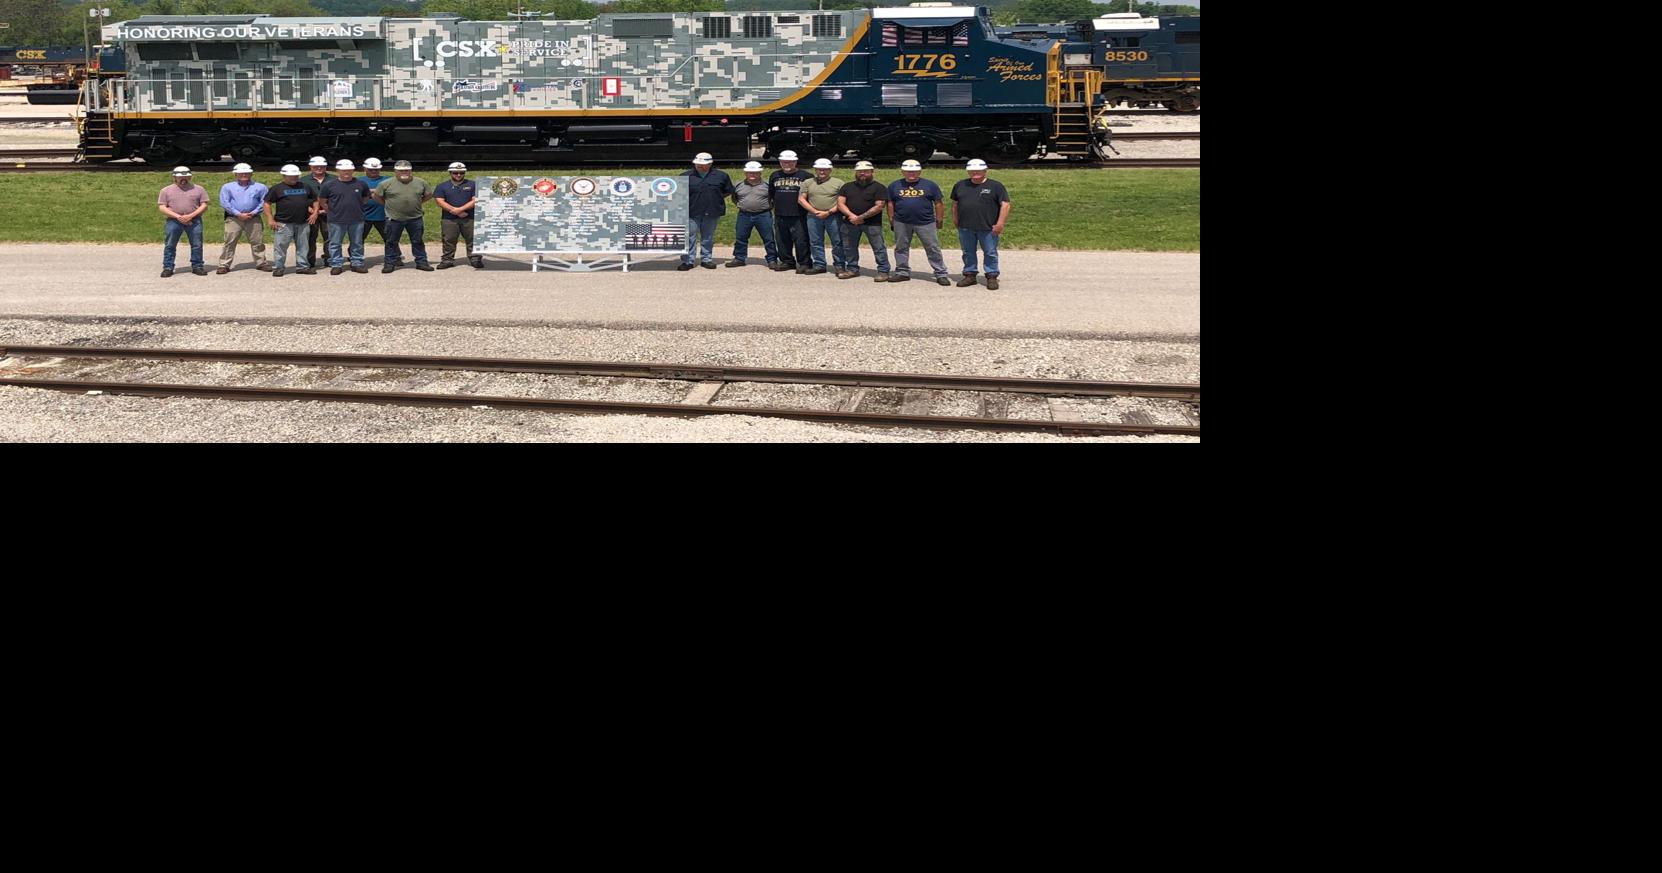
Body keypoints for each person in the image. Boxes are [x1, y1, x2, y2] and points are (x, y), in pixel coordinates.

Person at [885, 160, 951, 285]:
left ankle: (940, 273)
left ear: (919, 172)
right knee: (901, 247)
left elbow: (938, 203)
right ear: (903, 172)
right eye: (908, 171)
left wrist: (939, 219)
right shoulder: (894, 185)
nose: (911, 174)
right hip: (901, 221)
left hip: (925, 222)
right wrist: (891, 218)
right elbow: (890, 203)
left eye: (914, 171)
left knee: (932, 248)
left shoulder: (930, 185)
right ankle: (902, 272)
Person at [950, 159, 1012, 290]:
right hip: (966, 226)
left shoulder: (995, 186)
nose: (975, 173)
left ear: (985, 171)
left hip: (988, 227)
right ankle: (970, 274)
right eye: (972, 171)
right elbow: (955, 203)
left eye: (978, 170)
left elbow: (1005, 205)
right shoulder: (960, 185)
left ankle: (991, 276)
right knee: (967, 252)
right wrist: (955, 219)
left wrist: (1000, 223)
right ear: (968, 171)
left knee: (990, 252)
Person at [373, 160, 435, 273]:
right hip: (394, 218)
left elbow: (428, 195)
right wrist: (387, 204)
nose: (404, 172)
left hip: (415, 218)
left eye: (406, 170)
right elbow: (377, 196)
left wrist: (418, 202)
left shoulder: (421, 182)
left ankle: (421, 262)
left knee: (417, 241)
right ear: (395, 171)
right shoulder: (386, 183)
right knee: (391, 242)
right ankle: (389, 264)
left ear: (410, 171)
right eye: (401, 170)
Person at [837, 160, 891, 282]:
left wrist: (860, 217)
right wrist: (852, 216)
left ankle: (883, 271)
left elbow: (879, 206)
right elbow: (840, 203)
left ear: (872, 172)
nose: (862, 173)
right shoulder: (847, 186)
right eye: (860, 171)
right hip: (849, 222)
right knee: (849, 247)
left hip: (872, 223)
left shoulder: (879, 187)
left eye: (866, 171)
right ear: (856, 172)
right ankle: (852, 269)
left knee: (878, 247)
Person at [679, 152, 733, 271]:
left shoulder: (721, 176)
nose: (699, 166)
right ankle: (687, 261)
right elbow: (679, 194)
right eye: (697, 164)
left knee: (707, 237)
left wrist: (714, 198)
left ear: (710, 164)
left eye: (703, 164)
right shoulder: (685, 176)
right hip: (691, 211)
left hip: (712, 211)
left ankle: (706, 259)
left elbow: (727, 191)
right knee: (689, 237)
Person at [262, 163, 319, 277]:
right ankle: (279, 267)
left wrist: (315, 213)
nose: (294, 178)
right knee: (281, 246)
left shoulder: (305, 186)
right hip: (283, 223)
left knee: (303, 246)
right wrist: (270, 219)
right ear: (284, 176)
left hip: (303, 222)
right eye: (291, 176)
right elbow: (267, 203)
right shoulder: (277, 188)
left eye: (296, 176)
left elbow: (315, 200)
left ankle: (302, 266)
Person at [216, 162, 271, 274]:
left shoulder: (260, 187)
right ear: (235, 174)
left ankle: (261, 262)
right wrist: (238, 214)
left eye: (246, 173)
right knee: (230, 241)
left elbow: (264, 202)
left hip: (253, 217)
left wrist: (253, 212)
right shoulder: (227, 187)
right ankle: (224, 264)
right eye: (241, 173)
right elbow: (225, 203)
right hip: (234, 218)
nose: (244, 175)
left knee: (257, 241)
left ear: (251, 174)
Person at [321, 159, 372, 275]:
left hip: (356, 218)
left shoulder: (361, 184)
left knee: (357, 243)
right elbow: (323, 201)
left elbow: (365, 197)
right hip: (336, 219)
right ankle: (336, 264)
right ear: (338, 170)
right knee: (335, 243)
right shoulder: (329, 185)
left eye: (349, 170)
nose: (346, 172)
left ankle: (357, 263)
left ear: (353, 170)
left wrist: (356, 206)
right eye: (344, 170)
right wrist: (331, 211)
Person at [157, 166, 209, 278]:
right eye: (180, 177)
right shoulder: (166, 190)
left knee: (196, 244)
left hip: (194, 220)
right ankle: (168, 267)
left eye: (185, 176)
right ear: (174, 177)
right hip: (173, 220)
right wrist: (178, 216)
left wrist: (191, 215)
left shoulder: (199, 189)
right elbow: (162, 207)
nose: (183, 179)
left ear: (190, 176)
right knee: (170, 244)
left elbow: (204, 205)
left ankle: (197, 266)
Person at [798, 158, 846, 277]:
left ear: (830, 170)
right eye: (819, 169)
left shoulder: (839, 183)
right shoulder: (808, 182)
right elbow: (801, 199)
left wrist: (829, 212)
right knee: (815, 241)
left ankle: (839, 265)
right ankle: (819, 265)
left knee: (837, 241)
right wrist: (814, 211)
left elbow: (842, 202)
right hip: (813, 216)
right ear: (815, 169)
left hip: (833, 216)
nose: (822, 172)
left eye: (825, 169)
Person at [767, 150, 812, 272]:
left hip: (799, 214)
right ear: (780, 162)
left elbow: (811, 194)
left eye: (790, 162)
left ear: (795, 162)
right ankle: (787, 261)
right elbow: (771, 193)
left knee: (801, 240)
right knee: (782, 240)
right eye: (784, 162)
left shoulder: (806, 176)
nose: (787, 164)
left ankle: (804, 263)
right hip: (780, 213)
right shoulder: (775, 175)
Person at [727, 161, 777, 268]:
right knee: (741, 237)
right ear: (745, 173)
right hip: (744, 215)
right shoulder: (738, 185)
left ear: (760, 173)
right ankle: (739, 258)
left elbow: (773, 199)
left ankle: (772, 259)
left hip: (763, 215)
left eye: (755, 173)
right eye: (750, 173)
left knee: (768, 238)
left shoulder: (768, 186)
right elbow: (734, 199)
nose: (752, 175)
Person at [433, 162, 481, 269]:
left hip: (469, 217)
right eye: (455, 173)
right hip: (449, 218)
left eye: (461, 173)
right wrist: (454, 210)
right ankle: (447, 260)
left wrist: (460, 209)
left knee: (472, 239)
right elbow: (439, 200)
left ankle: (475, 259)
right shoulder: (442, 186)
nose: (458, 175)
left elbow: (476, 200)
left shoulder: (472, 184)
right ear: (450, 173)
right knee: (449, 239)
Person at [360, 157, 392, 262]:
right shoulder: (358, 181)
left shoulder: (388, 180)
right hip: (363, 215)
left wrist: (368, 192)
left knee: (389, 239)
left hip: (383, 215)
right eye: (370, 169)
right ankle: (355, 258)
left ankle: (394, 257)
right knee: (358, 239)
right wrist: (376, 191)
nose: (374, 171)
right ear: (365, 168)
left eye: (376, 169)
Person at [303, 156, 330, 267]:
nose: (319, 168)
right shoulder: (302, 181)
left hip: (329, 213)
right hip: (310, 214)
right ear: (311, 167)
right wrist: (311, 210)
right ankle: (309, 261)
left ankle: (330, 259)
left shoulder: (334, 179)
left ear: (325, 167)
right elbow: (300, 198)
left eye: (321, 166)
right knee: (310, 238)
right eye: (316, 166)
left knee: (330, 237)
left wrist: (326, 210)